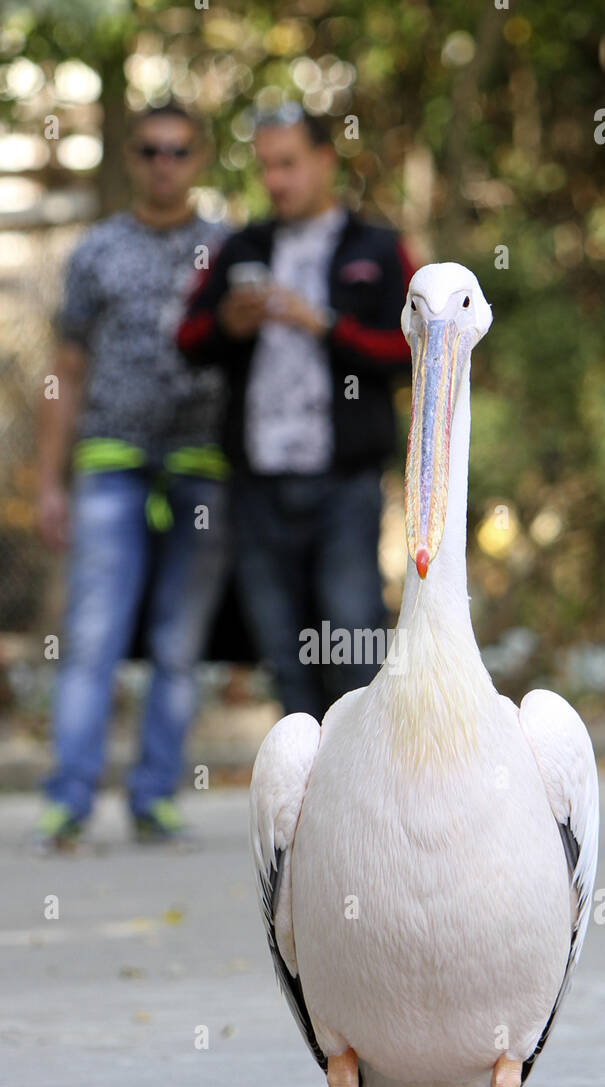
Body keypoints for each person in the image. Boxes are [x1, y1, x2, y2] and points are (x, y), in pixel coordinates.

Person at [177, 102, 415, 720]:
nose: (276, 181)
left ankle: (367, 796)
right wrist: (227, 325)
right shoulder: (240, 246)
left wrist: (328, 326)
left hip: (345, 483)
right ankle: (304, 807)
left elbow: (413, 351)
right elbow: (187, 339)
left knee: (352, 637)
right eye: (266, 168)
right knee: (284, 650)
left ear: (324, 161)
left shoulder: (380, 249)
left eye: (288, 164)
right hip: (256, 483)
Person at [34, 104, 230, 848]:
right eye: (149, 150)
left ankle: (154, 795)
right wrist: (50, 482)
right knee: (92, 638)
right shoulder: (96, 251)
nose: (163, 163)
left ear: (198, 157)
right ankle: (69, 797)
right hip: (111, 465)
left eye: (178, 150)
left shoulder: (225, 247)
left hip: (200, 468)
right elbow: (66, 369)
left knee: (177, 647)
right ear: (131, 156)